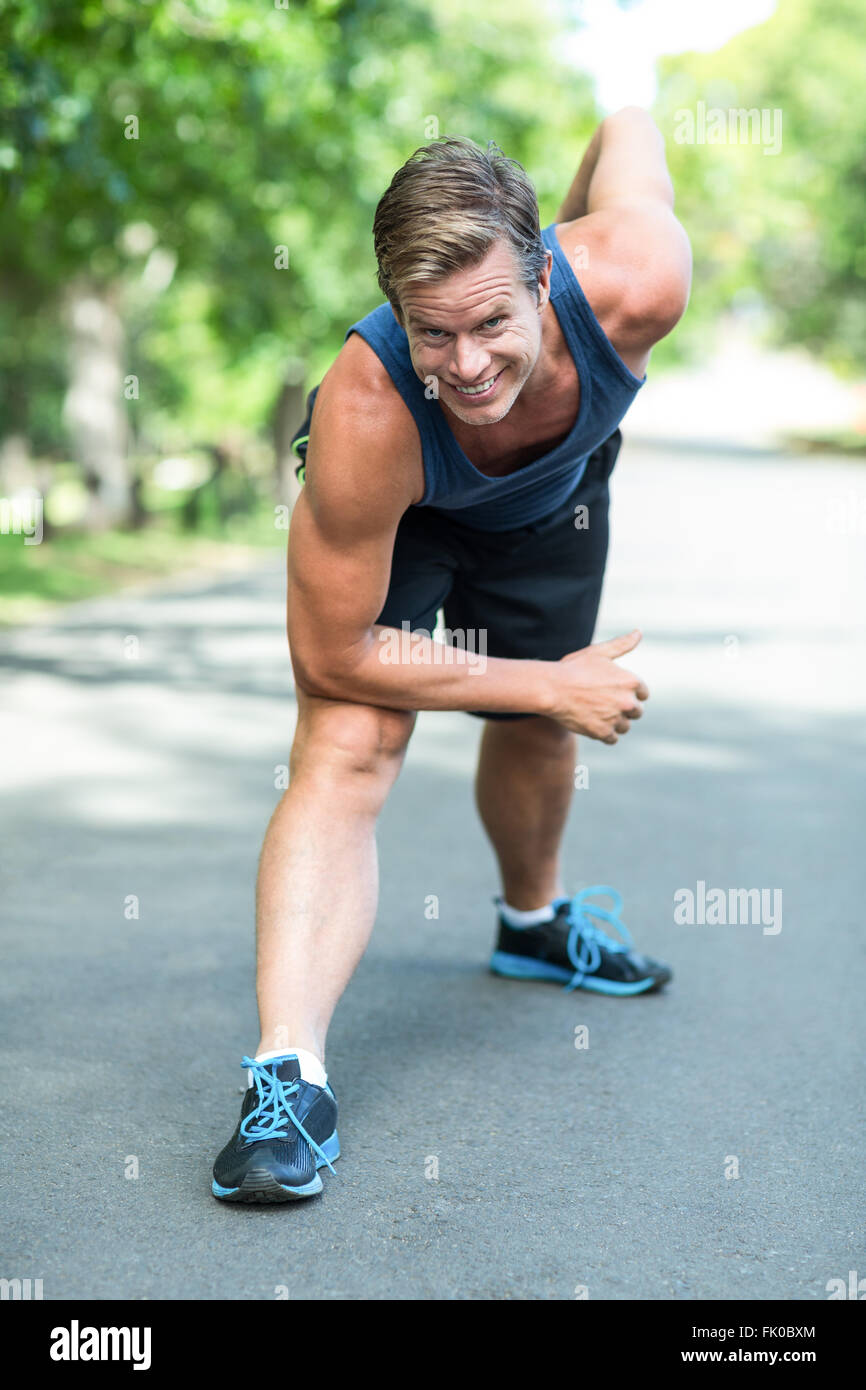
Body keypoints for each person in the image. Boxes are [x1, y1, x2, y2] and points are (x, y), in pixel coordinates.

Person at [212, 107, 692, 1203]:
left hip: (554, 499)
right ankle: (285, 1080)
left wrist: (540, 691)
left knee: (532, 724)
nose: (466, 365)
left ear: (542, 277)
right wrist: (549, 680)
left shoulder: (637, 276)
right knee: (352, 735)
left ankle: (533, 923)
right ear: (396, 313)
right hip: (413, 510)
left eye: (488, 322)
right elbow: (335, 654)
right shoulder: (372, 409)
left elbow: (628, 124)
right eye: (432, 333)